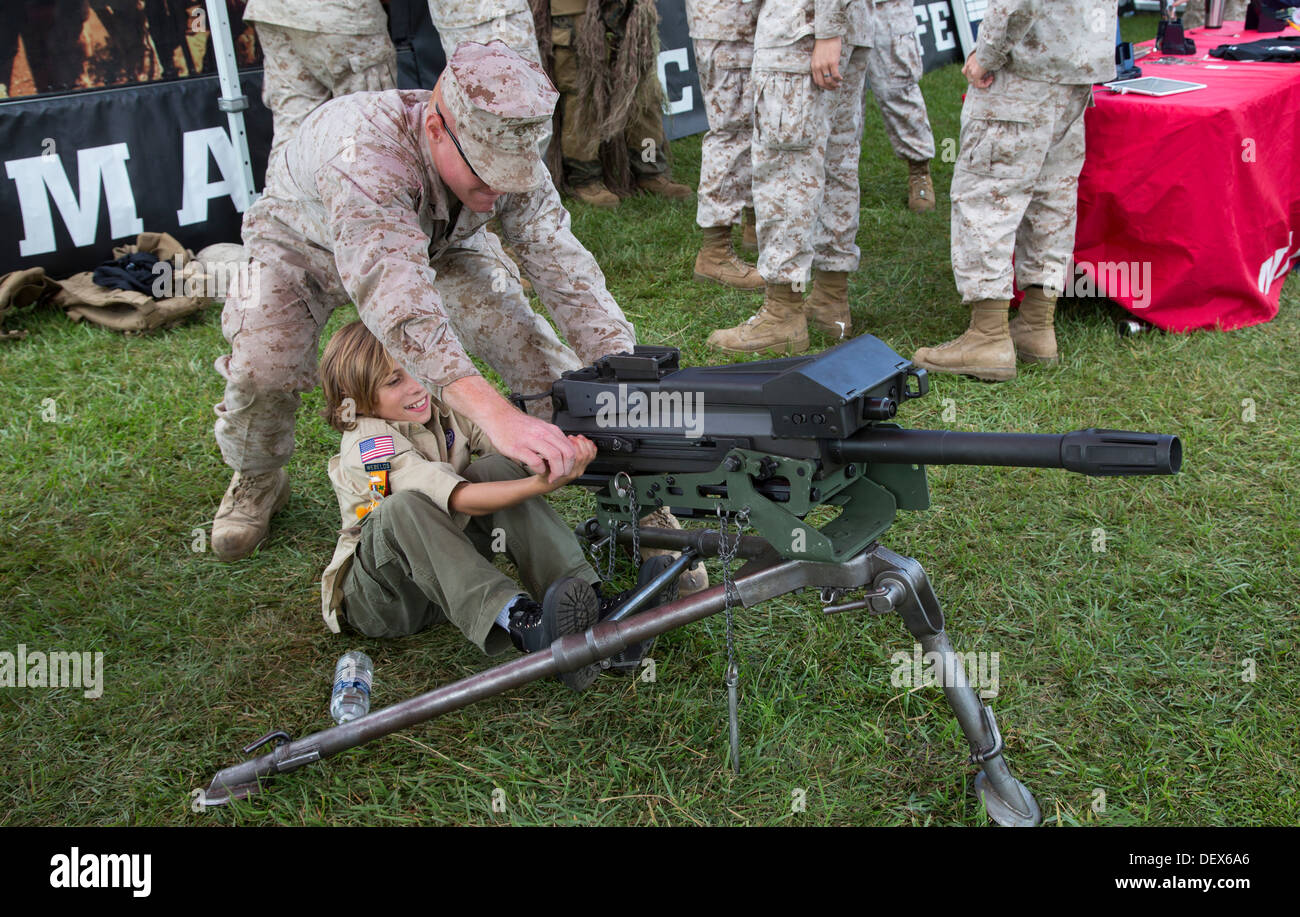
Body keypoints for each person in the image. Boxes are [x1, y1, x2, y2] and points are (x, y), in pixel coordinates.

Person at [210, 41, 634, 562]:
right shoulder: (363, 153)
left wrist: (622, 371)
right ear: (436, 130)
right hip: (303, 249)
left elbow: (563, 266)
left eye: (513, 176)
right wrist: (499, 418)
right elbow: (399, 302)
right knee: (261, 370)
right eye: (486, 175)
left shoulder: (505, 148)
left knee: (530, 347)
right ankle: (257, 476)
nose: (502, 189)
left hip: (444, 242)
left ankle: (625, 484)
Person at [318, 320, 603, 690]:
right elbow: (461, 498)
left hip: (445, 583)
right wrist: (539, 484)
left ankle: (586, 598)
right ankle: (521, 621)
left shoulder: (441, 405)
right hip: (387, 600)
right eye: (394, 381)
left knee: (496, 468)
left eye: (416, 369)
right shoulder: (368, 446)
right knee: (401, 507)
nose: (416, 386)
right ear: (353, 397)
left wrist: (553, 455)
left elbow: (506, 448)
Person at [911, 0, 1116, 381]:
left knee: (986, 196)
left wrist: (986, 52)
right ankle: (1037, 326)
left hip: (1028, 59)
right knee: (1051, 196)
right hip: (1077, 57)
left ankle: (988, 335)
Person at [706, 0, 872, 354]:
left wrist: (826, 31)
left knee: (786, 169)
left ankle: (783, 312)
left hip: (802, 26)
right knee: (835, 162)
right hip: (838, 23)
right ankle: (830, 300)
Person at [545, 0, 693, 207]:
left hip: (631, 8)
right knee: (584, 97)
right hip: (576, 11)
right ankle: (586, 179)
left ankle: (649, 168)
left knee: (643, 92)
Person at [243, 0, 398, 163]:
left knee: (294, 131)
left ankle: (286, 187)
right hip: (341, 17)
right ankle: (360, 183)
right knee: (366, 127)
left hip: (273, 11)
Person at [685, 0, 763, 290]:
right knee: (733, 131)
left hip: (747, 22)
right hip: (731, 21)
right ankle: (715, 252)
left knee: (757, 124)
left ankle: (755, 224)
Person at [864, 0, 937, 212]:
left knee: (898, 87)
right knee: (837, 95)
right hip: (836, 9)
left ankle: (919, 171)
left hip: (887, 7)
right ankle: (836, 182)